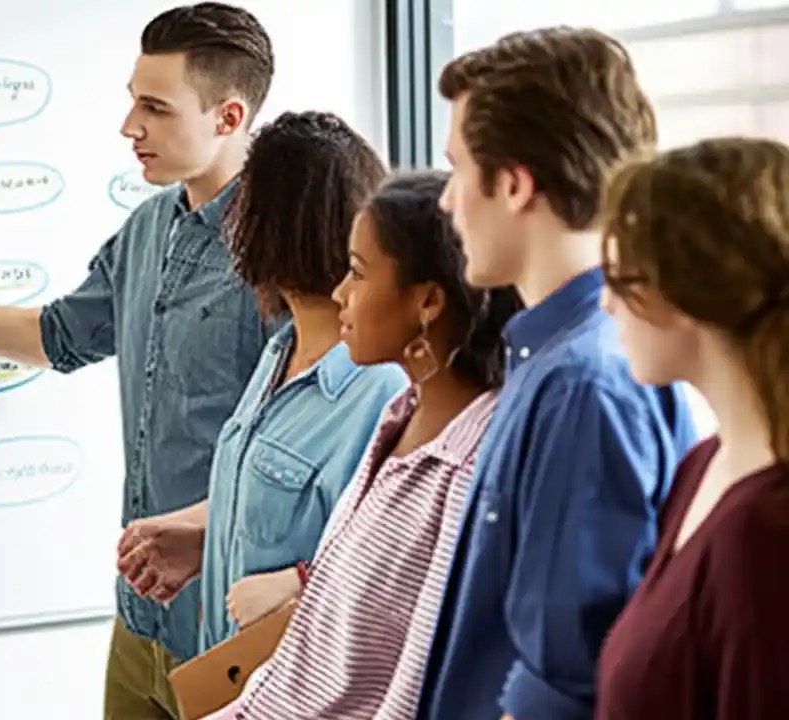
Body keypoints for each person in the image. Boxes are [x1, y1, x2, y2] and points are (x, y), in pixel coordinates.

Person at [0, 3, 275, 717]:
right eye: (131, 101)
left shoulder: (284, 253)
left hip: (232, 624)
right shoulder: (147, 229)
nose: (129, 126)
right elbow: (54, 337)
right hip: (139, 619)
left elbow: (306, 451)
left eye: (155, 108)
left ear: (227, 118)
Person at [418, 27, 698, 720]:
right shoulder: (551, 361)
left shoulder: (581, 384)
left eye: (457, 169)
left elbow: (567, 687)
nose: (447, 202)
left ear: (514, 184)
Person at [201, 170, 522, 719]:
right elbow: (307, 661)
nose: (340, 294)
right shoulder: (398, 419)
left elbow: (415, 690)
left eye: (356, 273)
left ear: (427, 302)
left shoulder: (469, 470)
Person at [113, 110, 408, 657]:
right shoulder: (279, 352)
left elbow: (393, 570)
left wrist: (300, 581)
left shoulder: (379, 389)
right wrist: (208, 533)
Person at [594, 137, 789, 719]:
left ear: (680, 289)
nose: (606, 304)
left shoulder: (766, 536)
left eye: (620, 278)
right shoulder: (703, 466)